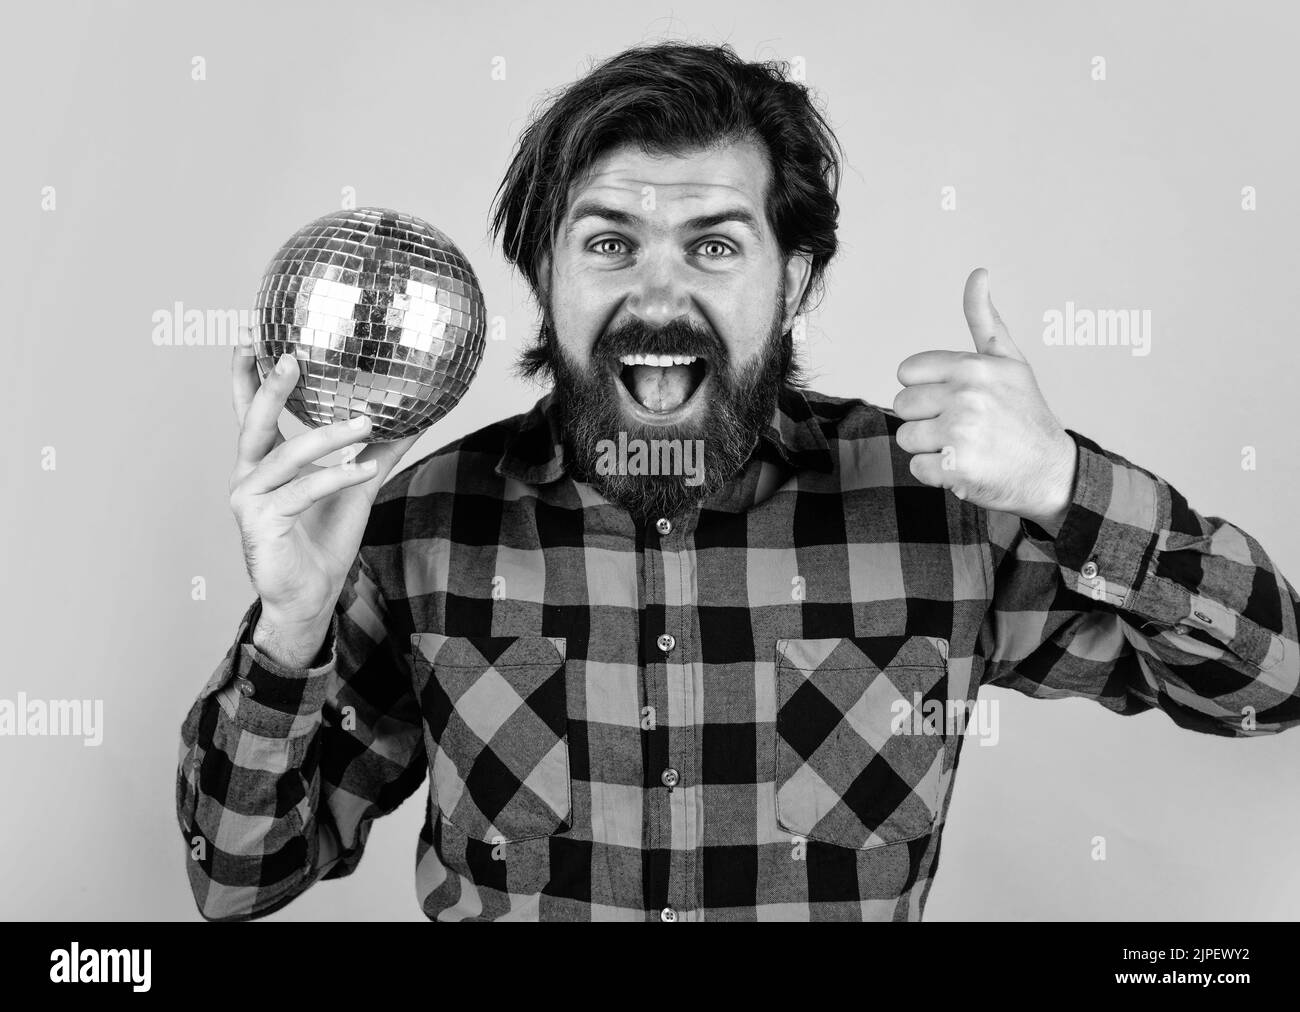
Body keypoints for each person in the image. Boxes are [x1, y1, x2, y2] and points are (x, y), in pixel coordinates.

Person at [176, 41, 1300, 922]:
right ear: (543, 275)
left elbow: (1269, 685)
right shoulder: (422, 523)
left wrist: (1064, 482)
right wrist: (291, 625)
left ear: (793, 279)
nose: (657, 295)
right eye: (608, 243)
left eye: (714, 245)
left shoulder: (937, 509)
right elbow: (238, 878)